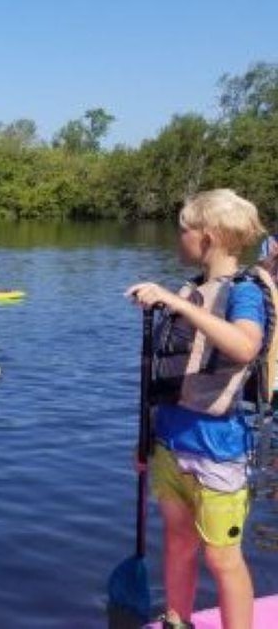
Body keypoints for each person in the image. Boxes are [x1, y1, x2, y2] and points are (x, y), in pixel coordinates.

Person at [127, 189, 269, 629]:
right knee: (178, 541)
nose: (178, 238)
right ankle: (176, 620)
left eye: (183, 231)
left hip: (217, 447)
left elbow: (245, 346)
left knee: (222, 556)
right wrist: (144, 442)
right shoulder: (194, 290)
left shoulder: (244, 293)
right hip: (170, 440)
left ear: (206, 238)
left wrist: (173, 301)